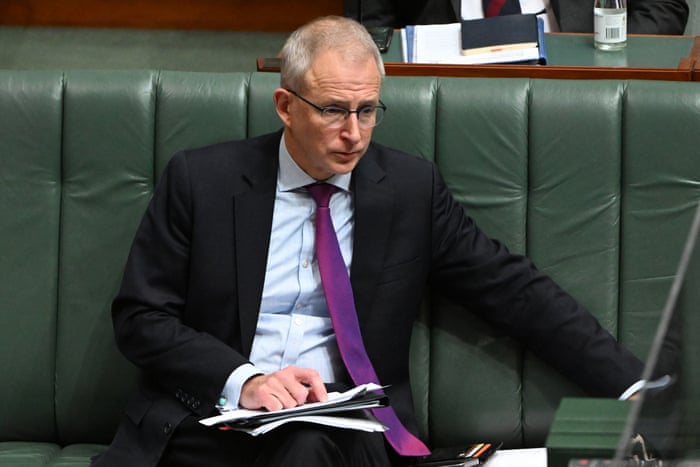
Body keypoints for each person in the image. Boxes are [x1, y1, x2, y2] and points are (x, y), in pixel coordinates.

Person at [93, 15, 645, 467]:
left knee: (311, 446)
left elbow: (511, 290)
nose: (353, 133)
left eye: (367, 111)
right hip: (214, 419)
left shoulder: (409, 191)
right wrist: (246, 380)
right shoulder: (202, 181)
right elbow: (142, 318)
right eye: (333, 110)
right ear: (286, 106)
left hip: (344, 426)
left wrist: (631, 386)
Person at [353, 0, 689, 34]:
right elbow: (372, 23)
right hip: (449, 83)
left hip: (572, 80)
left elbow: (663, 9)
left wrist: (594, 54)